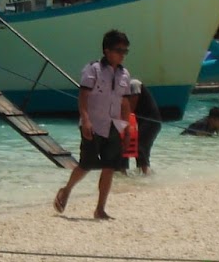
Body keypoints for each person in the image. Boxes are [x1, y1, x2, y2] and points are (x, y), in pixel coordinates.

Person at [54, 29, 132, 220]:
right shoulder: (93, 69)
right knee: (86, 165)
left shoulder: (124, 74)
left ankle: (100, 209)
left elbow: (125, 102)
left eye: (125, 51)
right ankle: (67, 189)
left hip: (114, 125)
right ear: (107, 50)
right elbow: (83, 96)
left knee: (109, 167)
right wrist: (86, 120)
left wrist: (127, 127)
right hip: (93, 124)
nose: (122, 55)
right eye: (119, 50)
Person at [127, 78, 162, 175]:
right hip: (143, 122)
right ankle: (144, 173)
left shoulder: (134, 84)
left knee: (140, 146)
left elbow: (131, 107)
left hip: (152, 121)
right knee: (140, 148)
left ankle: (145, 173)